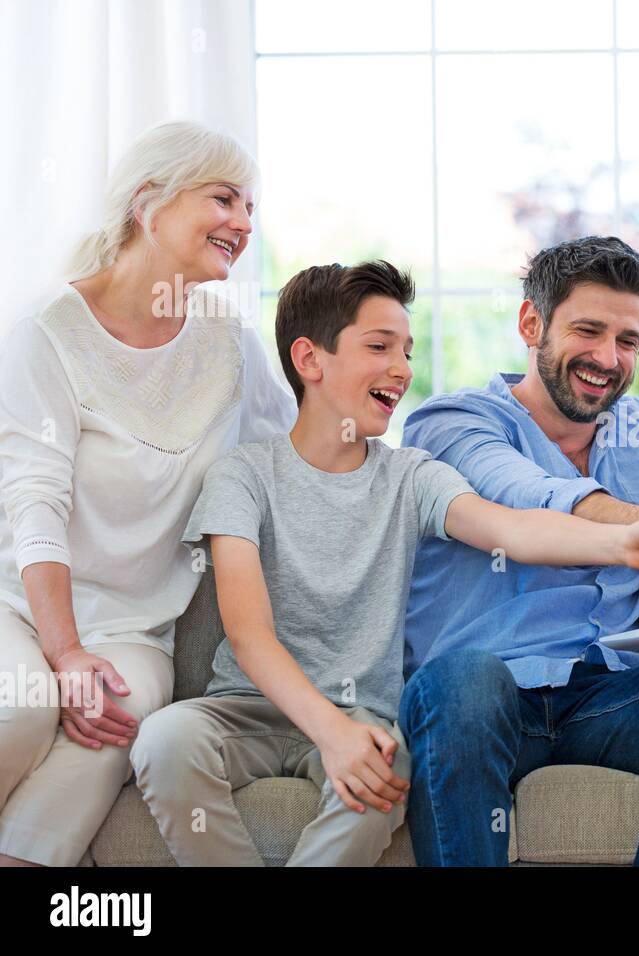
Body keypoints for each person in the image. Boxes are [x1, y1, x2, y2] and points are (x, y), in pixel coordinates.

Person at [129, 259, 639, 865]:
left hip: (367, 714)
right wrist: (329, 733)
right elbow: (250, 636)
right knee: (163, 741)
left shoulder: (413, 477)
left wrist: (625, 544)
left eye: (408, 351)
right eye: (379, 346)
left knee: (385, 779)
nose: (402, 369)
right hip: (244, 708)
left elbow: (514, 531)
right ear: (310, 360)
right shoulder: (244, 477)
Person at [400, 236, 639, 866]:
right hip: (485, 699)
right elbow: (525, 492)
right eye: (588, 330)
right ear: (531, 323)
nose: (607, 357)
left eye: (627, 341)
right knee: (464, 681)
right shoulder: (450, 422)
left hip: (612, 699)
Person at [0, 121, 297, 867]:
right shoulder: (46, 332)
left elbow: (294, 450)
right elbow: (33, 500)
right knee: (22, 709)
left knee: (117, 712)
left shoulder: (228, 346)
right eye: (223, 198)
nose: (244, 222)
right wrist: (63, 652)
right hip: (21, 606)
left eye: (250, 207)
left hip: (134, 630)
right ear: (148, 203)